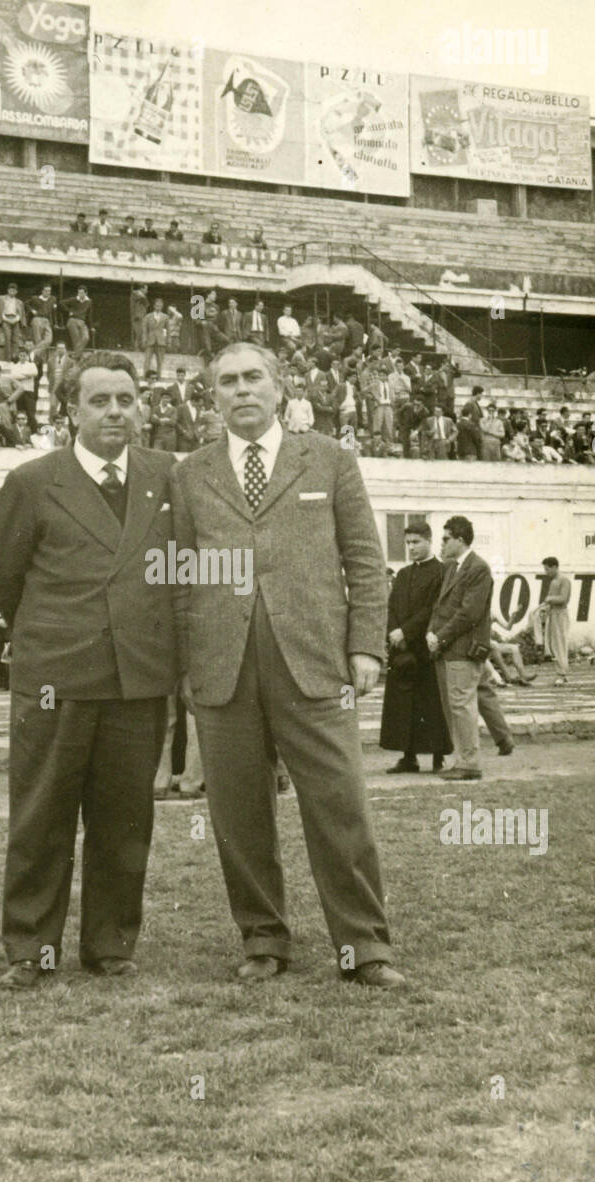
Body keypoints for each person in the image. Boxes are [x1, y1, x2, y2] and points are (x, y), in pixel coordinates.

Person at [171, 341, 404, 988]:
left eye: (253, 379)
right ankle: (263, 940)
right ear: (211, 396)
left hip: (313, 662)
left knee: (339, 806)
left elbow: (364, 561)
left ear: (279, 389)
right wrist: (186, 662)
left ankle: (364, 945)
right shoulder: (189, 474)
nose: (241, 390)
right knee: (239, 815)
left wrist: (364, 645)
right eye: (227, 382)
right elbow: (180, 574)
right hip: (223, 666)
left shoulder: (331, 461)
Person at [0, 350, 178, 989]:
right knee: (42, 817)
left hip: (137, 679)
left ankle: (110, 944)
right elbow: (0, 576)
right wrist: (57, 631)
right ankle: (31, 948)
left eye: (126, 398)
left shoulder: (166, 475)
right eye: (100, 400)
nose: (116, 412)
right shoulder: (34, 480)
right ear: (71, 410)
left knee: (125, 821)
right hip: (55, 678)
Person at [427, 517, 512, 780]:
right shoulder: (453, 568)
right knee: (457, 705)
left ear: (460, 540)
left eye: (445, 538)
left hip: (463, 649)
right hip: (449, 648)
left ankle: (469, 763)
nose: (442, 543)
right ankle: (464, 759)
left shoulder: (478, 569)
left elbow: (468, 614)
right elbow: (441, 607)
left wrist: (438, 637)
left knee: (461, 705)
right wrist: (431, 632)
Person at [380, 523, 452, 773]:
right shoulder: (402, 574)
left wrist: (406, 632)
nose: (411, 547)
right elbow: (391, 606)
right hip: (401, 650)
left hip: (425, 650)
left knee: (430, 705)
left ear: (429, 541)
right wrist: (392, 630)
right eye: (408, 543)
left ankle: (437, 758)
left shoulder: (441, 573)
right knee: (403, 706)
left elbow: (433, 609)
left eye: (416, 542)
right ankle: (408, 757)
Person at [532, 557, 571, 684]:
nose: (546, 572)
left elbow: (563, 599)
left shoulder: (564, 580)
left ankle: (562, 674)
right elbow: (550, 601)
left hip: (561, 615)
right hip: (552, 614)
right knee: (553, 645)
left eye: (547, 569)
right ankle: (561, 673)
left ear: (554, 567)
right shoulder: (553, 581)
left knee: (560, 644)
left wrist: (549, 599)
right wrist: (542, 609)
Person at [0, 283, 26, 361]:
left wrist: (18, 319)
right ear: (8, 290)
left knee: (16, 339)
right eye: (11, 290)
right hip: (6, 318)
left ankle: (14, 358)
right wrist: (3, 318)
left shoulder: (19, 302)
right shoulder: (1, 299)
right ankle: (7, 359)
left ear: (16, 292)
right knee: (7, 338)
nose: (12, 291)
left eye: (14, 290)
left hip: (16, 319)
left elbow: (21, 313)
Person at [142, 298, 169, 378]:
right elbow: (144, 330)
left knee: (160, 361)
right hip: (150, 341)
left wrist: (168, 341)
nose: (158, 307)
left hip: (161, 342)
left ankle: (158, 377)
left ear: (162, 307)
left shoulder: (165, 317)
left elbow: (168, 330)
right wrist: (144, 339)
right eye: (157, 305)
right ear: (154, 306)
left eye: (160, 306)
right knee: (147, 360)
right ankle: (145, 377)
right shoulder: (148, 316)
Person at [63, 286, 92, 356]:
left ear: (86, 293)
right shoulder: (73, 299)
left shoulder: (89, 302)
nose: (80, 294)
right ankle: (77, 357)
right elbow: (62, 303)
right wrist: (68, 311)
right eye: (79, 293)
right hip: (72, 320)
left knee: (86, 337)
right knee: (76, 340)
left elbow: (89, 314)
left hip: (82, 322)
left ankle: (75, 354)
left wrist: (91, 326)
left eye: (81, 293)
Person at [26, 284, 55, 351]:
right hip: (37, 319)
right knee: (38, 340)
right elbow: (26, 304)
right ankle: (38, 360)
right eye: (46, 291)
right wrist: (31, 310)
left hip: (47, 320)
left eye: (49, 291)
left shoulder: (52, 299)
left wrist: (53, 322)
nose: (48, 293)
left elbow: (54, 310)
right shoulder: (35, 298)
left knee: (49, 340)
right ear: (42, 291)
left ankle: (33, 353)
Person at [130, 285, 149, 350]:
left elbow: (146, 304)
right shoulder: (136, 294)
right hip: (137, 316)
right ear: (142, 288)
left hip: (141, 316)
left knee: (140, 332)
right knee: (139, 332)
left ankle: (138, 347)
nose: (147, 291)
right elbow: (146, 302)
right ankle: (137, 347)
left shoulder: (141, 296)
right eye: (146, 289)